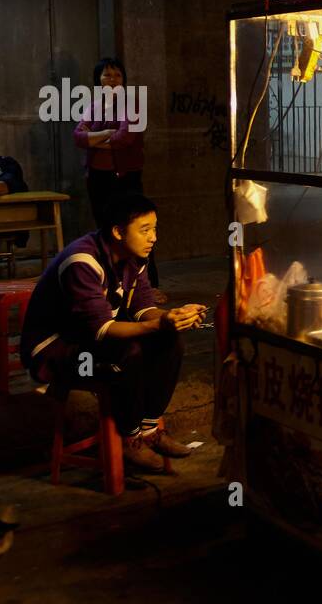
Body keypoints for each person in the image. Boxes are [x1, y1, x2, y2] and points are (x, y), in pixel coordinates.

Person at [19, 193, 206, 472]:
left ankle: (150, 428)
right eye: (145, 230)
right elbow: (102, 330)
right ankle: (129, 439)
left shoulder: (134, 256)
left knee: (170, 341)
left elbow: (143, 309)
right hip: (56, 350)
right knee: (129, 353)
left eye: (154, 228)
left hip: (89, 340)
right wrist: (159, 324)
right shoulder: (82, 262)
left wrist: (172, 317)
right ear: (118, 231)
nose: (153, 237)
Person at [73, 57, 162, 293]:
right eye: (107, 75)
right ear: (98, 80)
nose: (112, 80)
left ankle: (148, 286)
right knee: (105, 230)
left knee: (136, 230)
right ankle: (112, 284)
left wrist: (95, 140)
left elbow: (125, 138)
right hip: (97, 177)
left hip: (125, 177)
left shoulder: (131, 104)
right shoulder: (94, 106)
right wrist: (105, 134)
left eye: (117, 75)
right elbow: (77, 137)